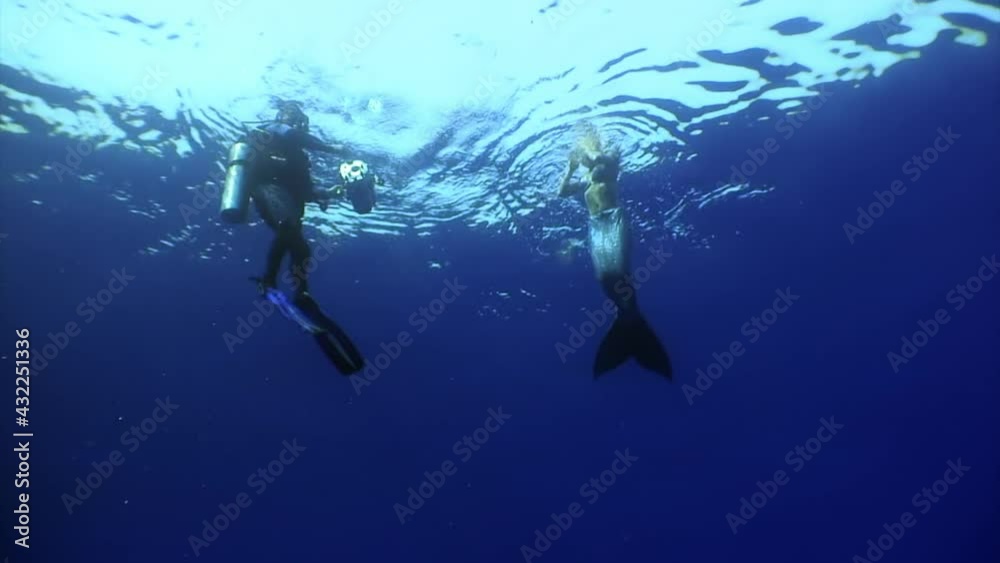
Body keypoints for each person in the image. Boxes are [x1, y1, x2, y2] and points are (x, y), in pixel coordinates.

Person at [556, 126, 673, 380]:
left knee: (618, 271)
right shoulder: (588, 176)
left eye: (588, 138)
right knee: (605, 277)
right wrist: (571, 167)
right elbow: (562, 191)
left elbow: (597, 159)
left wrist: (584, 150)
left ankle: (631, 319)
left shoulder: (609, 158)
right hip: (596, 225)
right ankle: (628, 321)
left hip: (614, 219)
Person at [241, 102, 345, 300]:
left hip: (286, 205)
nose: (299, 125)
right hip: (266, 190)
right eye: (296, 119)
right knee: (289, 225)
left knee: (301, 248)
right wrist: (332, 148)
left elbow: (306, 191)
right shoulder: (272, 130)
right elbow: (291, 134)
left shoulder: (298, 158)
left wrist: (328, 193)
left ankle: (301, 292)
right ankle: (269, 280)